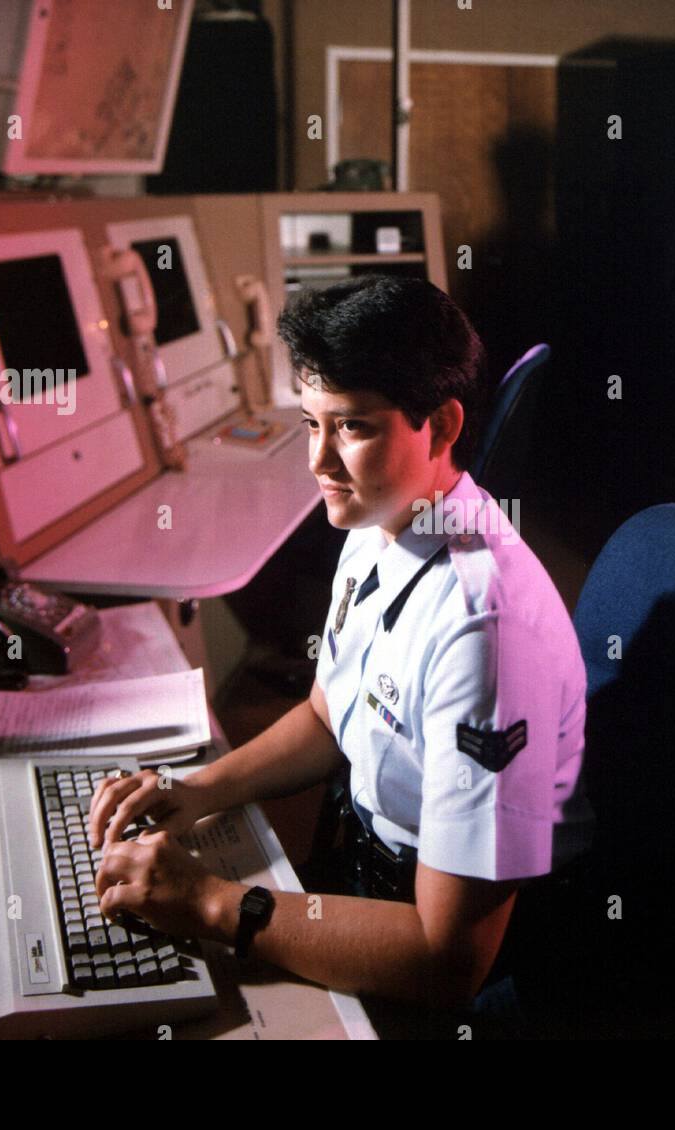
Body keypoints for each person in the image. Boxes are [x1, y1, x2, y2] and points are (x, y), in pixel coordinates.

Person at [86, 275, 593, 1032]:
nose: (318, 461)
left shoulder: (485, 636)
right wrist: (198, 790)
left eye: (352, 428)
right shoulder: (375, 521)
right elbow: (330, 716)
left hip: (440, 949)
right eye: (310, 423)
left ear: (442, 426)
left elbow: (448, 959)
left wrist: (211, 904)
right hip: (362, 872)